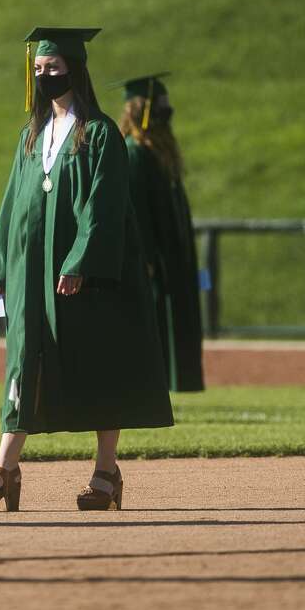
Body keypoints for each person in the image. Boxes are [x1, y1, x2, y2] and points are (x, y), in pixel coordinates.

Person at [0, 27, 173, 511]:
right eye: (38, 70)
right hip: (28, 273)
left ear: (76, 71)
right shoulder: (31, 135)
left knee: (99, 364)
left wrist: (81, 259)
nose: (45, 77)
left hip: (80, 278)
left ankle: (106, 472)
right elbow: (11, 207)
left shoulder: (101, 134)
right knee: (24, 363)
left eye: (53, 69)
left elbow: (103, 206)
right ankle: (4, 470)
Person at [115, 72, 204, 392]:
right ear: (141, 108)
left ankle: (174, 382)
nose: (167, 109)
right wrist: (147, 257)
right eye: (160, 103)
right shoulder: (134, 153)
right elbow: (136, 210)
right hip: (154, 258)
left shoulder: (159, 151)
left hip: (173, 252)